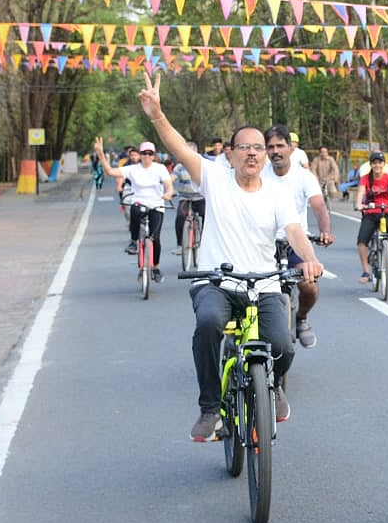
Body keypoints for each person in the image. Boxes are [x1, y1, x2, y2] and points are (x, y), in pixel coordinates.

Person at [129, 73, 323, 442]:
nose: (252, 153)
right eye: (244, 147)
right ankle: (210, 409)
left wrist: (309, 260)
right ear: (230, 154)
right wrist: (156, 114)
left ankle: (274, 386)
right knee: (208, 325)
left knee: (282, 345)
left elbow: (295, 232)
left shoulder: (278, 194)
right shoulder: (214, 179)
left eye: (259, 148)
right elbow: (180, 149)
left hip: (263, 284)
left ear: (265, 156)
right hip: (216, 283)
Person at [263, 125, 334, 349]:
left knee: (308, 285)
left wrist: (325, 231)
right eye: (270, 147)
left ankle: (301, 318)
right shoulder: (259, 175)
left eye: (280, 146)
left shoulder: (304, 177)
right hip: (263, 243)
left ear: (290, 148)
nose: (275, 151)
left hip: (295, 242)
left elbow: (319, 205)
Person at [96, 139, 173, 281]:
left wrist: (168, 193)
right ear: (140, 154)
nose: (147, 156)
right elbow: (110, 172)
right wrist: (101, 154)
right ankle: (134, 241)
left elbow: (169, 185)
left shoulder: (160, 168)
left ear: (154, 155)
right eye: (144, 153)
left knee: (155, 238)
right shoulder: (133, 169)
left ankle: (156, 268)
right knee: (135, 209)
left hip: (156, 204)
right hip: (139, 201)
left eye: (150, 153)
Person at [355, 151, 388, 283]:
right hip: (370, 213)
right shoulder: (365, 178)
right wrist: (359, 204)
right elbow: (360, 192)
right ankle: (366, 271)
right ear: (371, 164)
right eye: (374, 163)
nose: (377, 165)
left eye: (380, 162)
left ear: (383, 164)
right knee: (362, 241)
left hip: (386, 211)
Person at [171, 140, 206, 255]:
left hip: (199, 197)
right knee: (180, 218)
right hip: (185, 198)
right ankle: (180, 245)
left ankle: (205, 243)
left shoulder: (203, 165)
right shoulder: (179, 167)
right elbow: (172, 179)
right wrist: (169, 189)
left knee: (206, 218)